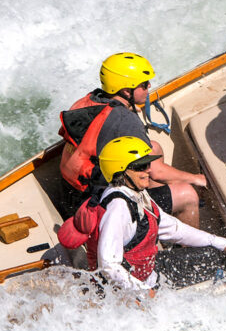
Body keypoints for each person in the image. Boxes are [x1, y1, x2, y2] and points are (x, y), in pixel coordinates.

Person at [58, 136, 226, 292]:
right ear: (121, 171)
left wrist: (222, 243)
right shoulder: (118, 207)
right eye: (140, 166)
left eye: (147, 164)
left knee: (217, 255)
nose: (148, 170)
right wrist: (143, 293)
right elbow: (108, 264)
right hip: (131, 291)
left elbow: (172, 228)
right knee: (217, 264)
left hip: (150, 272)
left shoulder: (136, 193)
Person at [58, 52, 205, 226]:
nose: (149, 86)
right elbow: (156, 171)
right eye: (144, 85)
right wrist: (197, 178)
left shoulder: (89, 101)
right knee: (187, 194)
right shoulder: (123, 120)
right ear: (127, 91)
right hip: (97, 207)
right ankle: (190, 251)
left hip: (72, 194)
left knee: (154, 148)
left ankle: (158, 216)